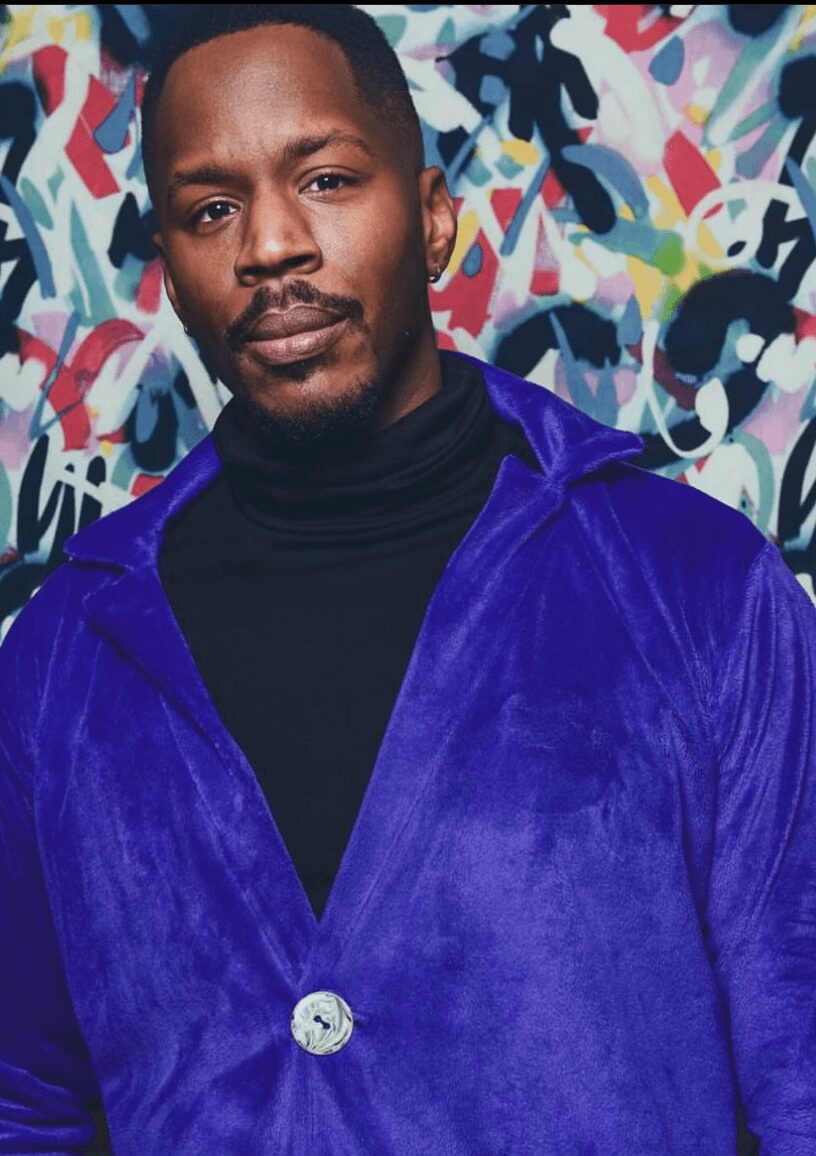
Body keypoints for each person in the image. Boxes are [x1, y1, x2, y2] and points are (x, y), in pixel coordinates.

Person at [0, 5, 814, 1153]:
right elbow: (25, 1103)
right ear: (169, 271)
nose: (270, 245)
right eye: (211, 208)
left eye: (326, 180)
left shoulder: (698, 589)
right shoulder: (64, 657)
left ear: (433, 217)